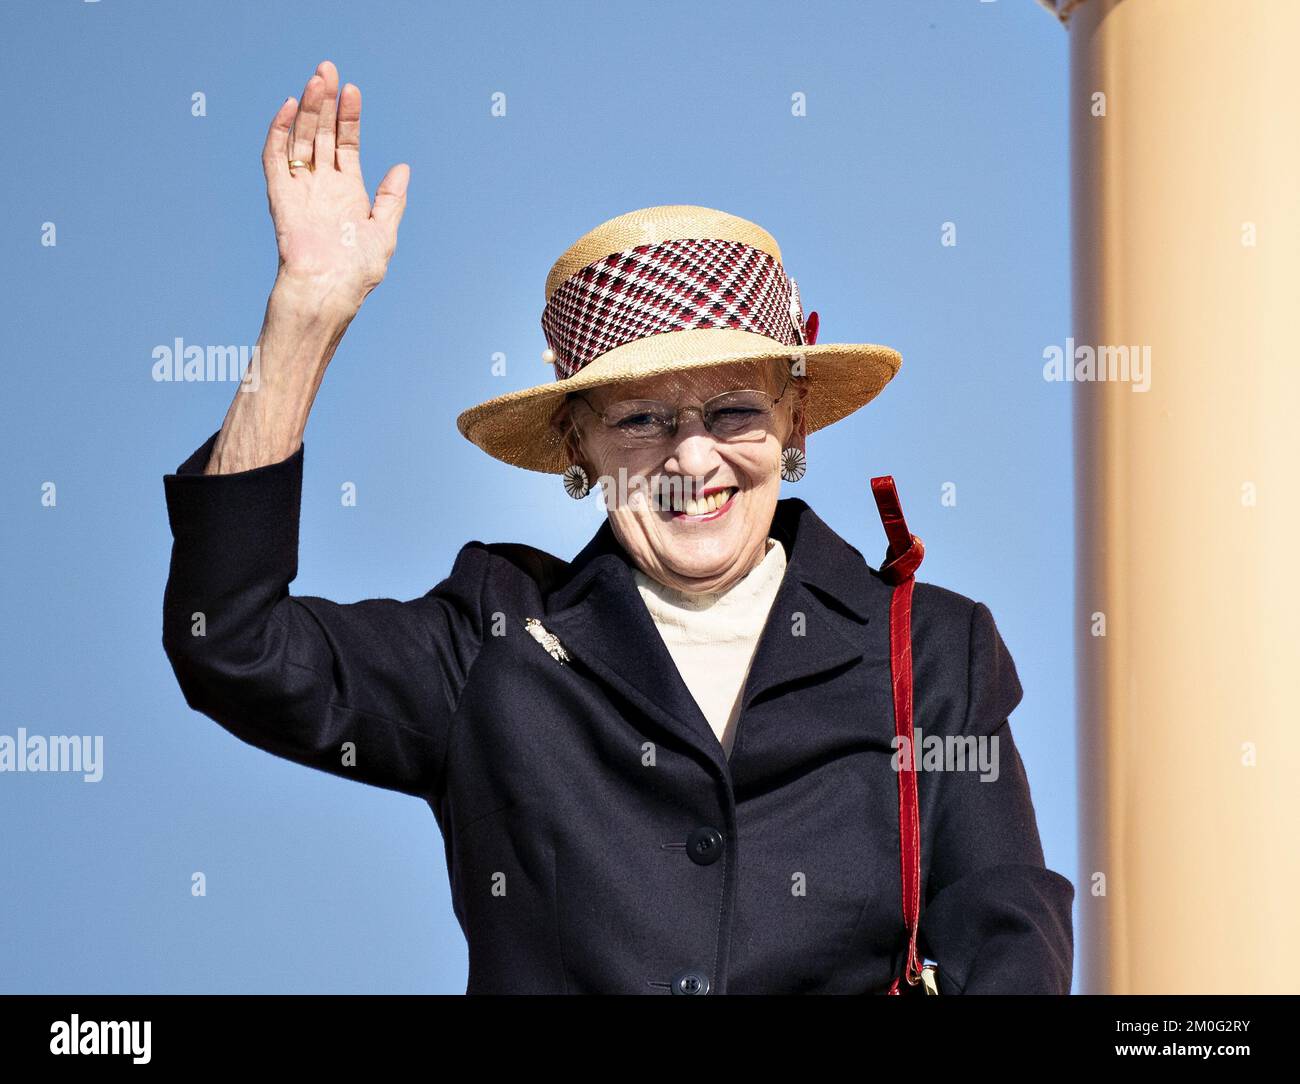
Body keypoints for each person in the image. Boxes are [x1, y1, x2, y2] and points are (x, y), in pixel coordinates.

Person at [161, 60, 1074, 994]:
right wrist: (305, 317)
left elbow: (1009, 928)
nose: (692, 459)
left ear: (794, 420)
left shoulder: (930, 649)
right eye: (641, 421)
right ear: (577, 443)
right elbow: (229, 643)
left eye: (733, 411)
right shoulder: (495, 641)